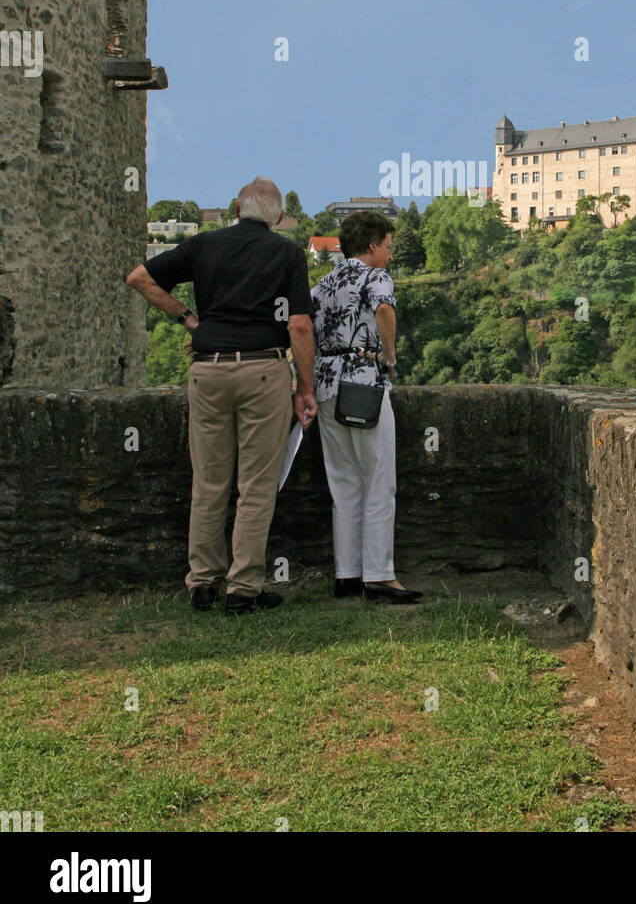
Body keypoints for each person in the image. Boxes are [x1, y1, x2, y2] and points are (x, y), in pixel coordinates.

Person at [126, 177, 316, 615]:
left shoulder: (205, 245)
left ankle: (202, 583)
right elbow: (300, 325)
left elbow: (140, 277)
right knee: (256, 484)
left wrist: (190, 319)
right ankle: (243, 588)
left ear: (236, 209)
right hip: (263, 371)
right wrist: (303, 387)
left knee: (209, 480)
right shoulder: (286, 253)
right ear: (280, 218)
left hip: (207, 370)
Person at [312, 210, 421, 604]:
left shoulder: (323, 283)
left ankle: (347, 575)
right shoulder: (375, 276)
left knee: (343, 482)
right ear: (372, 246)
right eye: (388, 247)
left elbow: (304, 327)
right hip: (363, 383)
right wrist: (388, 357)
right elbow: (385, 310)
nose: (390, 255)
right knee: (379, 480)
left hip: (325, 385)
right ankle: (379, 576)